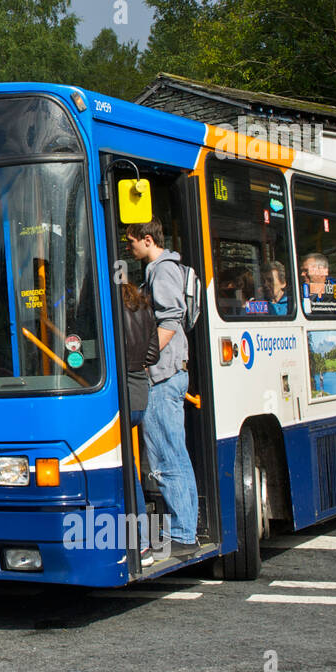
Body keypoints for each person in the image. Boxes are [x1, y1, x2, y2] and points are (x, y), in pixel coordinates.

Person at [126, 218, 199, 556]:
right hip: (166, 373)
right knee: (165, 453)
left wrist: (143, 357)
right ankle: (180, 529)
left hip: (163, 374)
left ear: (146, 239)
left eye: (131, 241)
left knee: (169, 455)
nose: (129, 246)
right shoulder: (160, 269)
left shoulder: (161, 269)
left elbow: (171, 319)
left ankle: (184, 533)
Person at [121, 279, 159, 566]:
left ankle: (139, 542)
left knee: (123, 471)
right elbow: (152, 354)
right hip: (140, 394)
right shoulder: (143, 308)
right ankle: (142, 541)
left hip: (118, 397)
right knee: (128, 465)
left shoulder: (105, 309)